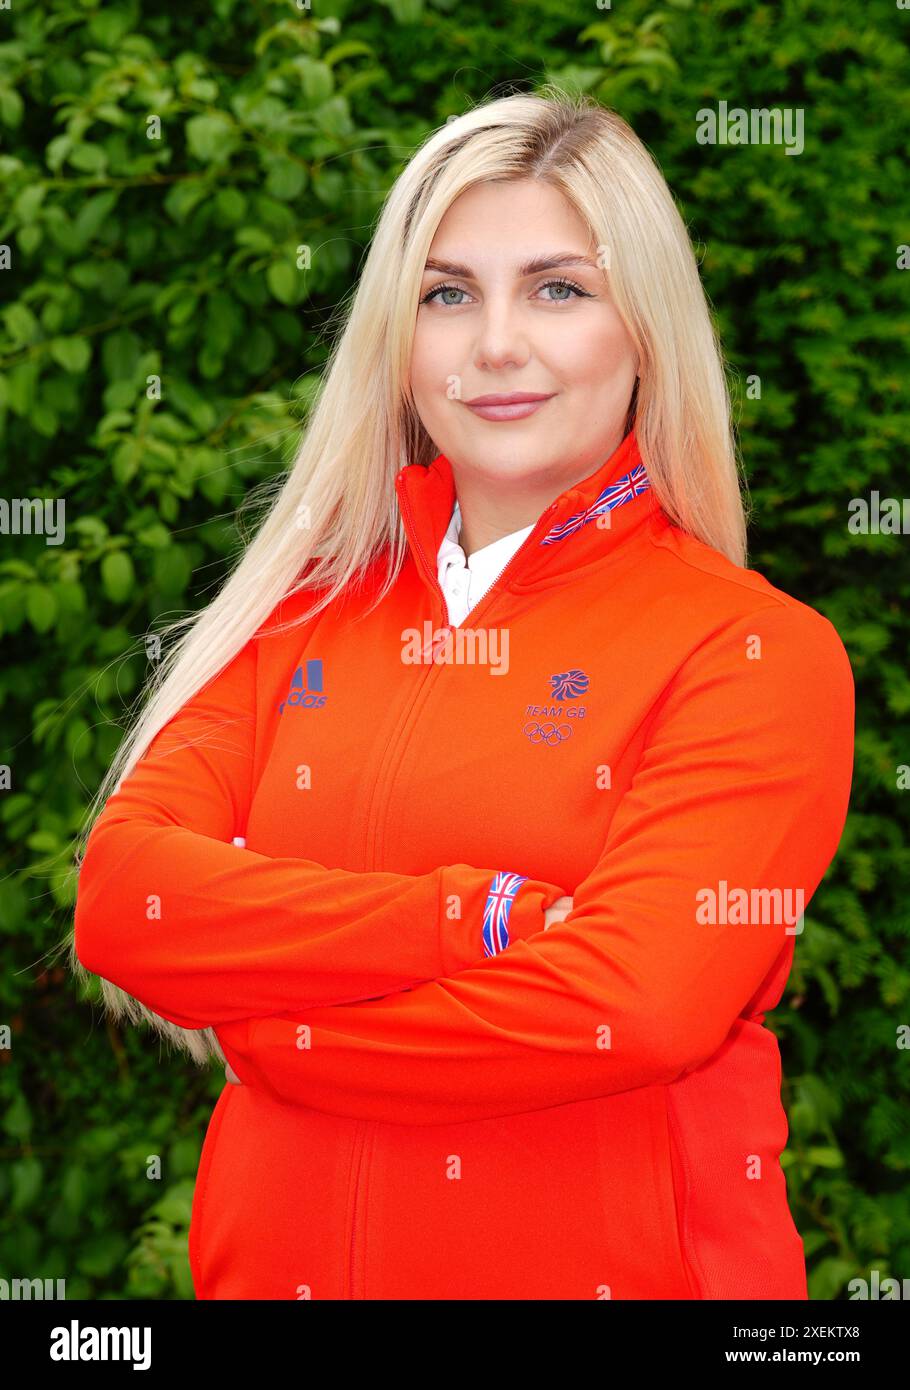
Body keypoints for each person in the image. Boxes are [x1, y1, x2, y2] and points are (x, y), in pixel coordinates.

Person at [70, 90, 854, 1300]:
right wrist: (464, 923)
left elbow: (637, 1006)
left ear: (643, 327)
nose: (495, 345)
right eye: (447, 293)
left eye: (558, 288)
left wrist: (274, 1035)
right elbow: (128, 902)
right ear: (399, 336)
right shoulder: (298, 611)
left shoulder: (752, 651)